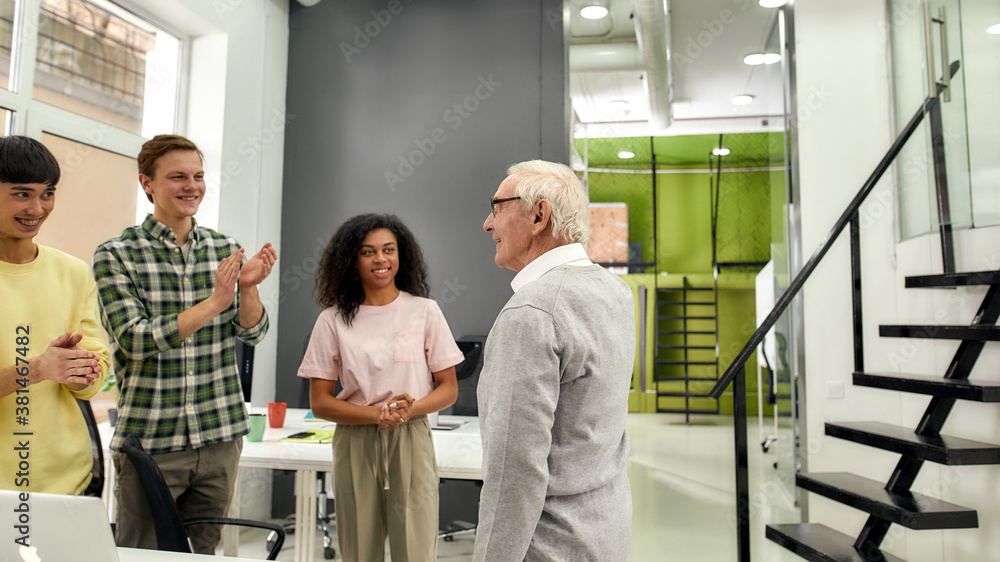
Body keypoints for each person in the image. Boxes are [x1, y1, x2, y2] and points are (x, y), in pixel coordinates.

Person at [92, 134, 277, 553]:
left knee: (205, 554)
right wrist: (214, 303)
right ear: (147, 183)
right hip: (152, 443)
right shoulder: (116, 255)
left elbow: (254, 332)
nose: (191, 186)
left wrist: (247, 289)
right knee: (144, 555)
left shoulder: (224, 248)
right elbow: (135, 339)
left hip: (219, 435)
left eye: (197, 175)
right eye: (177, 176)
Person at [474, 160, 636, 561]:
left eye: (497, 207)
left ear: (539, 215)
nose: (487, 224)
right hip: (605, 531)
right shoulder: (615, 292)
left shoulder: (532, 313)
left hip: (548, 545)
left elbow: (515, 474)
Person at [298, 213, 464, 562]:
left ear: (400, 256)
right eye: (368, 252)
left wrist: (409, 410)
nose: (380, 260)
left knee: (415, 550)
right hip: (355, 438)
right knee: (359, 550)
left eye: (388, 250)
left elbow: (448, 388)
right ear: (351, 259)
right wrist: (377, 414)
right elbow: (320, 403)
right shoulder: (332, 320)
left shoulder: (425, 311)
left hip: (411, 436)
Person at [0, 135, 109, 495]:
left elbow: (94, 376)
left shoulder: (73, 272)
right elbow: (41, 369)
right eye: (22, 194)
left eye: (47, 194)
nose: (37, 208)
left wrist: (80, 371)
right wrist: (37, 370)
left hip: (67, 485)